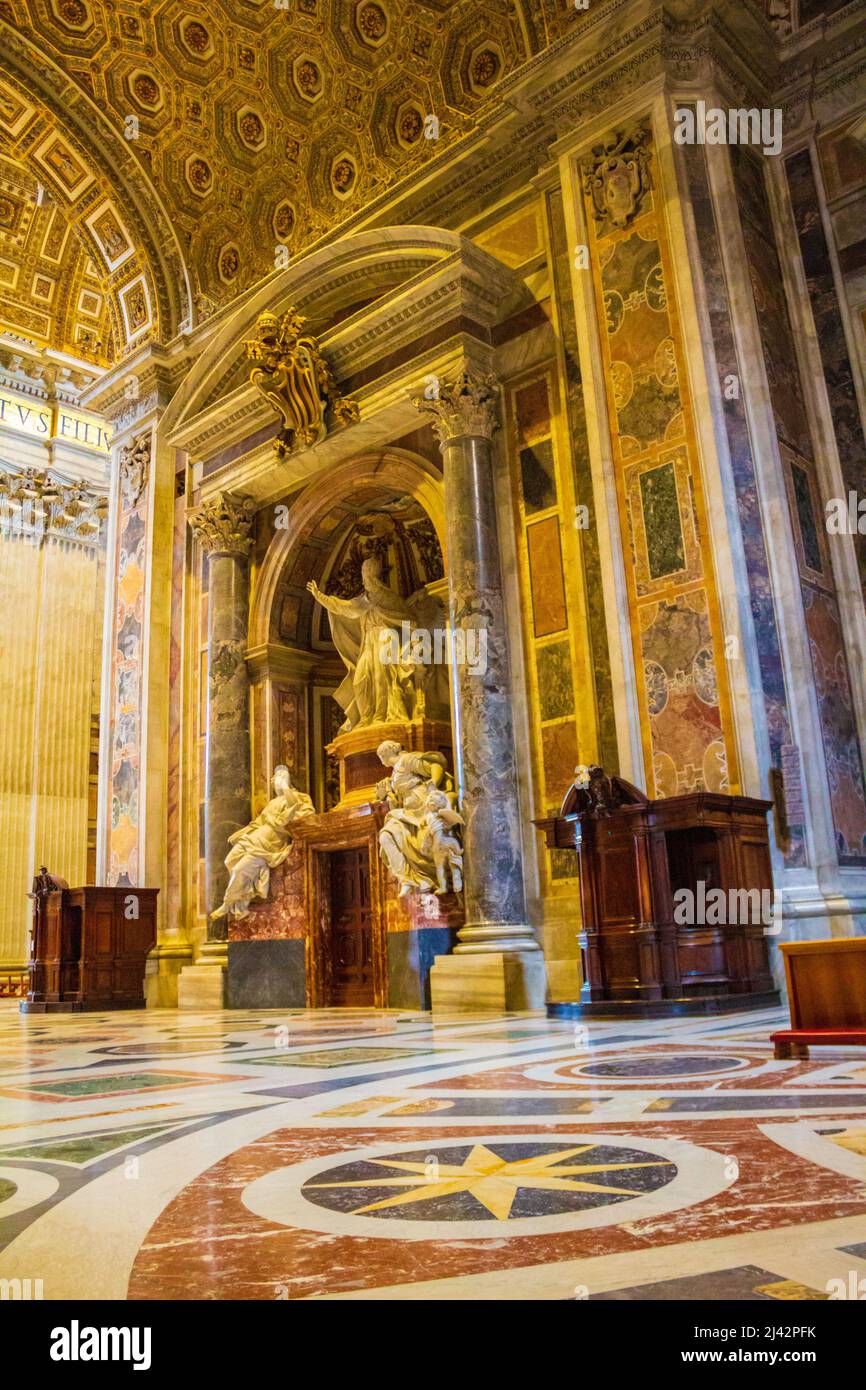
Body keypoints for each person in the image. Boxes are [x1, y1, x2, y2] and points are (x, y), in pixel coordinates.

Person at [210, 766, 315, 922]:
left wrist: (286, 788)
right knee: (229, 860)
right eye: (274, 778)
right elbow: (257, 823)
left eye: (280, 776)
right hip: (254, 838)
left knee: (239, 869)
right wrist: (240, 833)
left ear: (288, 779)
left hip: (270, 844)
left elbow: (303, 815)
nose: (275, 780)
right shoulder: (272, 802)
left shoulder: (300, 797)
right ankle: (242, 898)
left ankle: (228, 903)